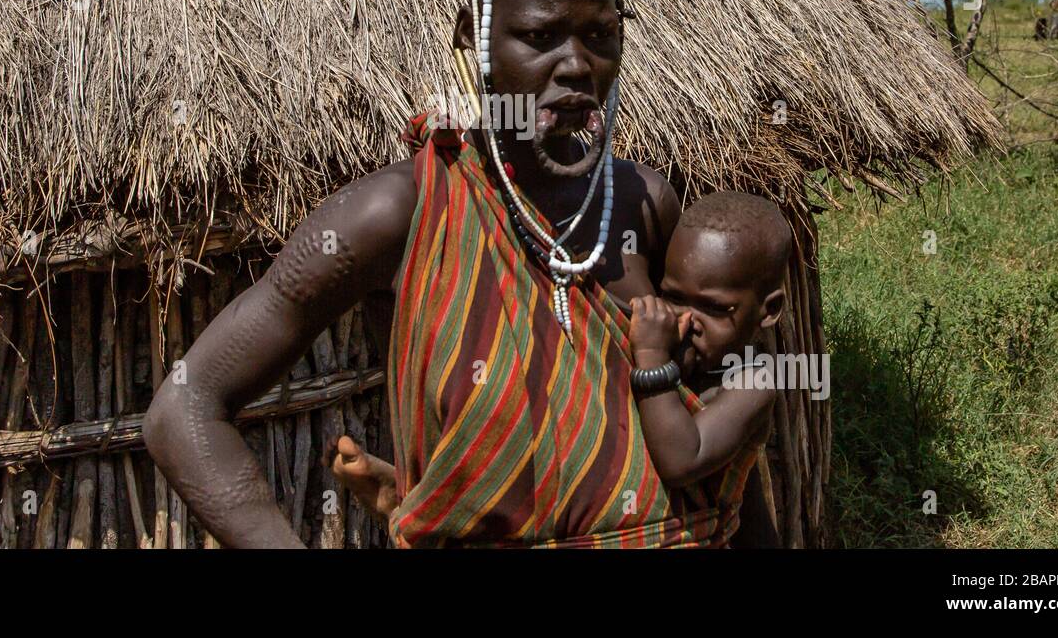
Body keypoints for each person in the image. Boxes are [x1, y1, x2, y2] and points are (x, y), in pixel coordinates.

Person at [144, 0, 712, 547]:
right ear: (475, 35)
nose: (577, 64)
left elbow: (723, 444)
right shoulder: (403, 210)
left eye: (600, 35)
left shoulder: (641, 204)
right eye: (540, 35)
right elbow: (184, 409)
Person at [332, 190, 788, 547]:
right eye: (675, 297)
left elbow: (681, 459)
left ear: (769, 311)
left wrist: (651, 360)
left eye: (714, 309)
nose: (687, 321)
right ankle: (431, 502)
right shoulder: (668, 340)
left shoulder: (753, 380)